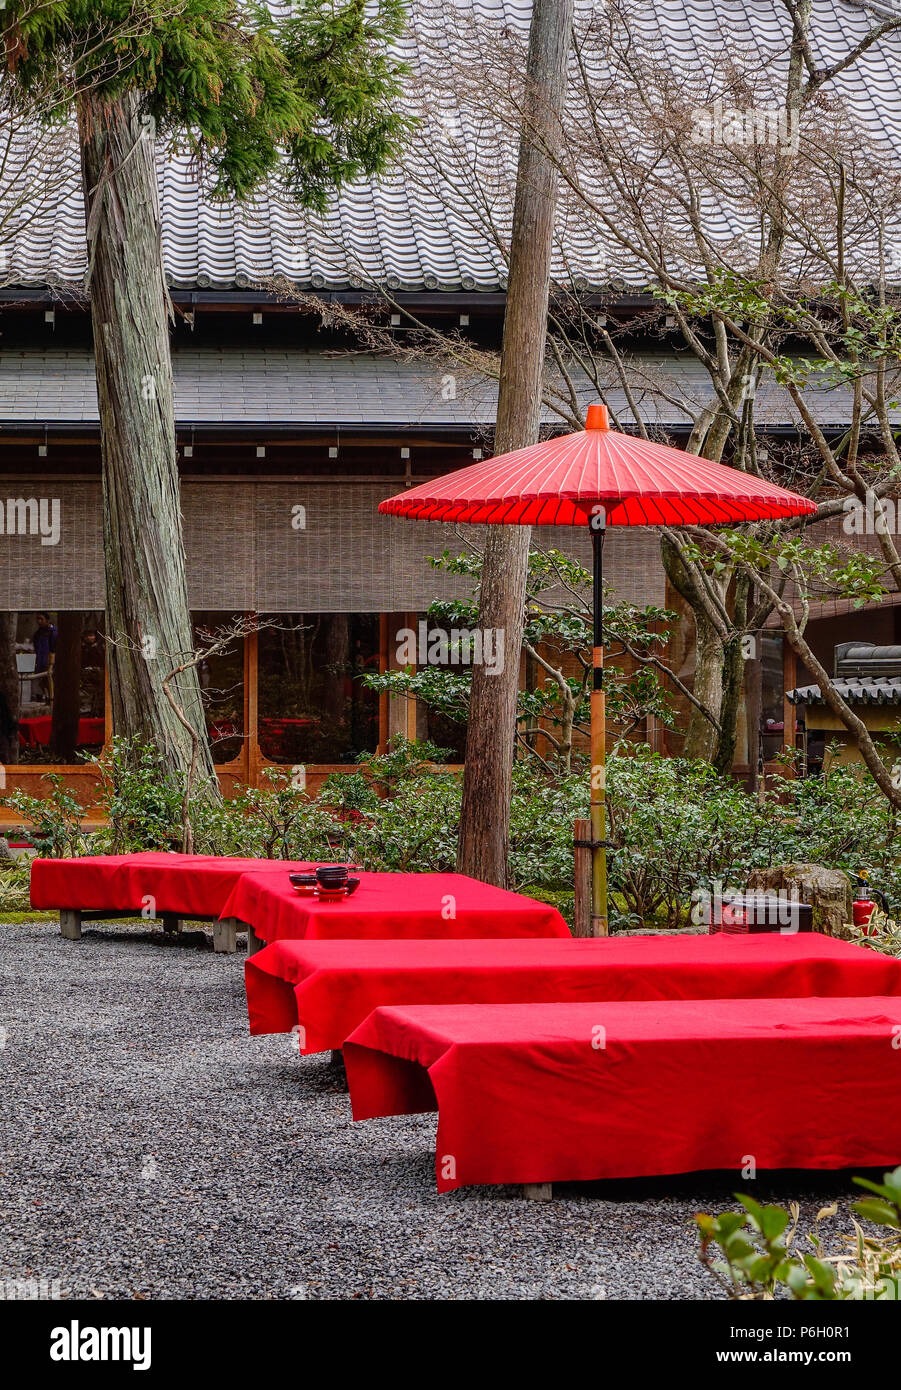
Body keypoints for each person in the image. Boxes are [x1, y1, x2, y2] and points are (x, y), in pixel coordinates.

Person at [31, 612, 57, 705]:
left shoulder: (53, 632)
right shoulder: (38, 633)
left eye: (41, 619)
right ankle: (45, 697)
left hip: (50, 661)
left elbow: (53, 648)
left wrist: (51, 663)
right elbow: (36, 646)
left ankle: (51, 699)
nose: (39, 621)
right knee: (42, 681)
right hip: (40, 660)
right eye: (38, 619)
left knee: (50, 680)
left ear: (47, 620)